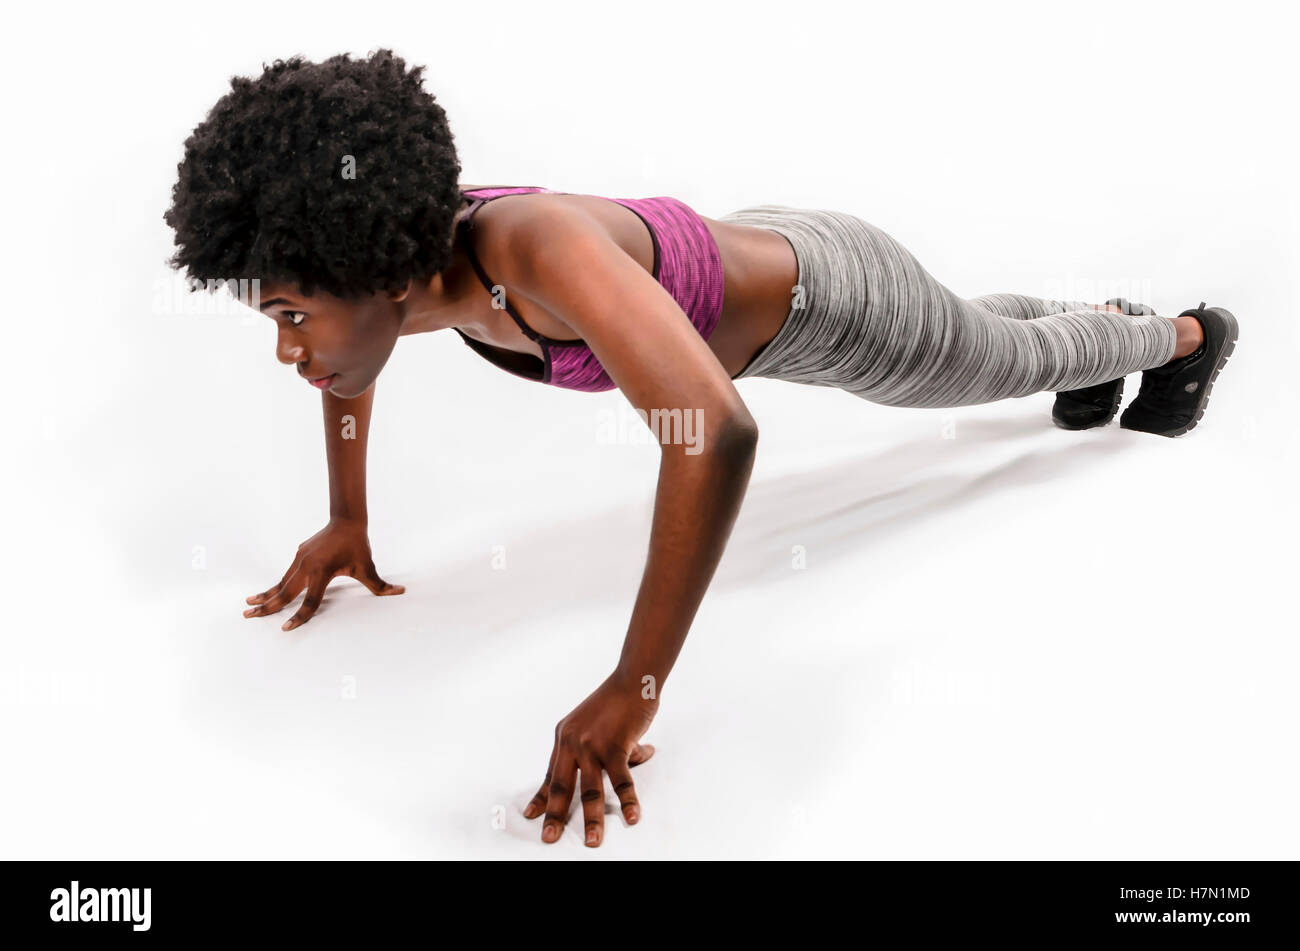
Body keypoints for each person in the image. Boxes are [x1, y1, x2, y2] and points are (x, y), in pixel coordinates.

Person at [163, 49, 1240, 849]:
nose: (286, 348)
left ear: (380, 279)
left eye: (291, 314)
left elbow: (712, 429)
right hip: (759, 253)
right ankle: (1091, 330)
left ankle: (1183, 334)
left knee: (989, 359)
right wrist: (349, 516)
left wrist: (636, 683)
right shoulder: (407, 271)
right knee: (981, 337)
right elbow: (348, 366)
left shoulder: (525, 247)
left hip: (831, 303)